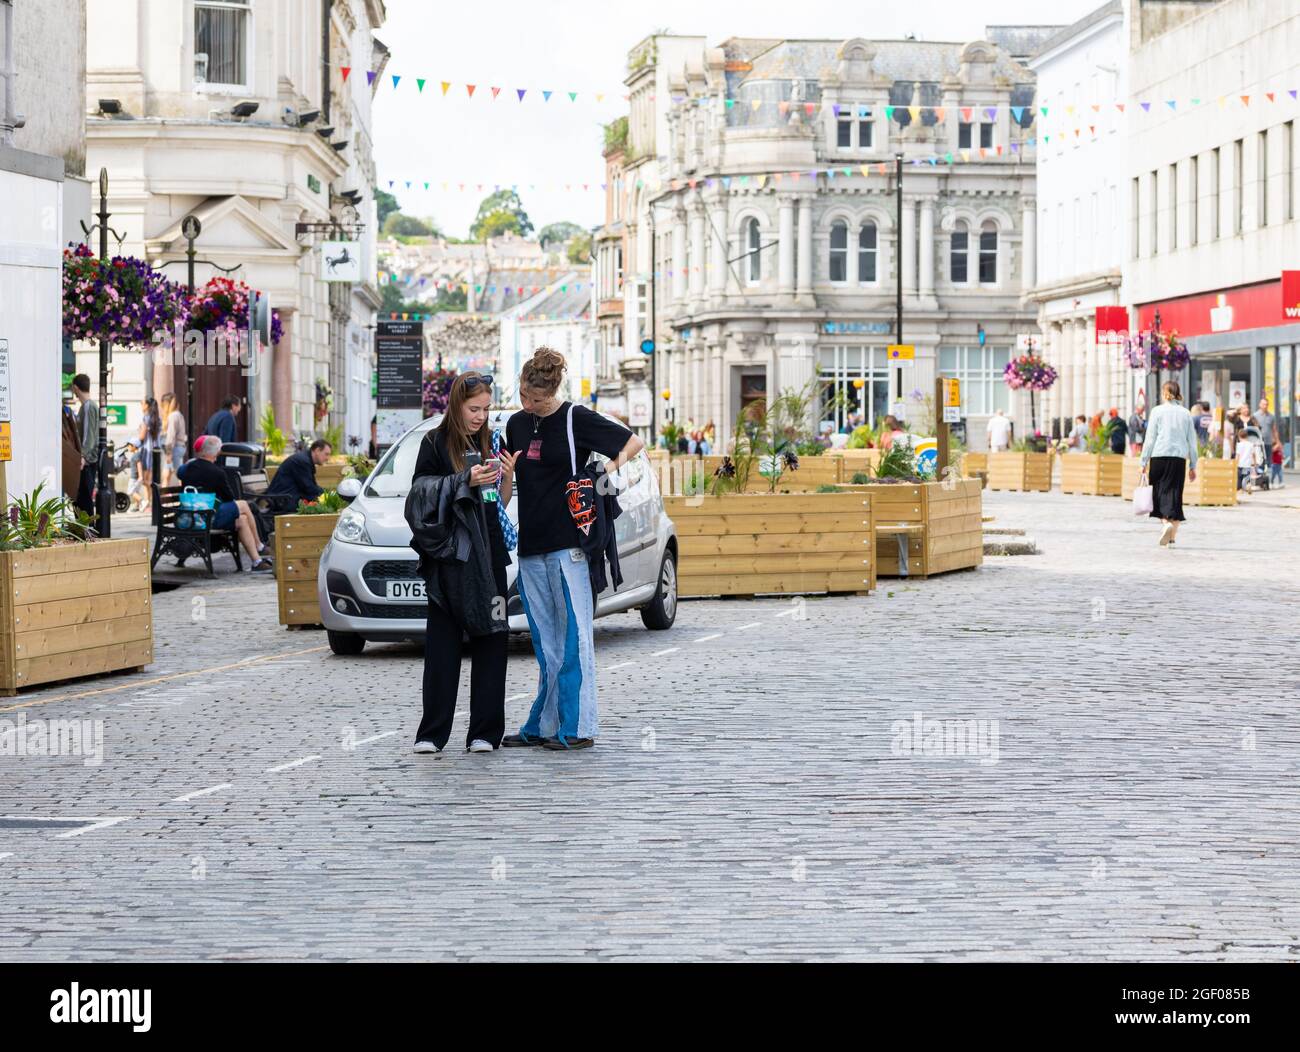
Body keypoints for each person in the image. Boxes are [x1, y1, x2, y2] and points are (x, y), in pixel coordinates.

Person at [502, 348, 643, 751]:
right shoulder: (515, 424)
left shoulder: (574, 418)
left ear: (552, 393)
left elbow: (632, 443)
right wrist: (507, 476)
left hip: (570, 546)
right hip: (531, 544)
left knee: (574, 638)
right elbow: (507, 491)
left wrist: (599, 473)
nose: (528, 404)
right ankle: (544, 723)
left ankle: (578, 726)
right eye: (524, 395)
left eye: (536, 399)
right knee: (545, 641)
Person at [406, 372, 511, 756]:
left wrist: (506, 477)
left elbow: (499, 503)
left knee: (492, 639)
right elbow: (419, 493)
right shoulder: (434, 442)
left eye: (486, 409)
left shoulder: (493, 440)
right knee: (442, 645)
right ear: (456, 405)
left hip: (490, 552)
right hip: (450, 557)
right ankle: (432, 733)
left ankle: (485, 732)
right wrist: (464, 479)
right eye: (474, 409)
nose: (481, 416)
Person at [177, 436, 273, 570]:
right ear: (217, 452)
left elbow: (179, 472)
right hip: (206, 518)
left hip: (190, 515)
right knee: (243, 505)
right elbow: (229, 498)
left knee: (242, 520)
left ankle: (256, 561)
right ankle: (259, 545)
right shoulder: (217, 472)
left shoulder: (187, 468)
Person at [1140, 380, 1199, 547]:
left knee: (1159, 493)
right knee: (1175, 496)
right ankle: (1172, 539)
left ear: (1164, 393)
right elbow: (1192, 441)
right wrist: (1193, 465)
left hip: (1159, 456)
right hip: (1178, 459)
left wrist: (1143, 461)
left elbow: (1150, 439)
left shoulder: (1157, 411)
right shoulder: (1186, 413)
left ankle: (1165, 523)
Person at [265, 439, 331, 506]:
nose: (327, 458)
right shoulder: (302, 461)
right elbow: (309, 488)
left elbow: (311, 487)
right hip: (282, 501)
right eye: (326, 454)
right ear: (317, 450)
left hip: (286, 498)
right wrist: (328, 496)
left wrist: (326, 494)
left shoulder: (305, 459)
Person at [70, 374, 100, 519]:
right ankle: (85, 527)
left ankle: (86, 528)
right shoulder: (87, 406)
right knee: (81, 498)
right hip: (87, 460)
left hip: (86, 462)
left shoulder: (88, 407)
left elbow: (89, 436)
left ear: (76, 387)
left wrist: (82, 456)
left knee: (84, 498)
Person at [135, 396, 161, 514]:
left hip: (146, 450)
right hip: (155, 451)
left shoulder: (146, 418)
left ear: (147, 406)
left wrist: (133, 442)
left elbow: (142, 436)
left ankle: (148, 502)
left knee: (145, 480)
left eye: (142, 403)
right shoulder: (157, 418)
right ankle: (150, 502)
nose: (141, 406)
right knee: (151, 479)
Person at [160, 392, 187, 486]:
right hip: (178, 447)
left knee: (179, 475)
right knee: (167, 475)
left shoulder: (173, 416)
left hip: (174, 448)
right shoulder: (178, 414)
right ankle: (165, 493)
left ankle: (185, 493)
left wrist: (168, 453)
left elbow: (171, 436)